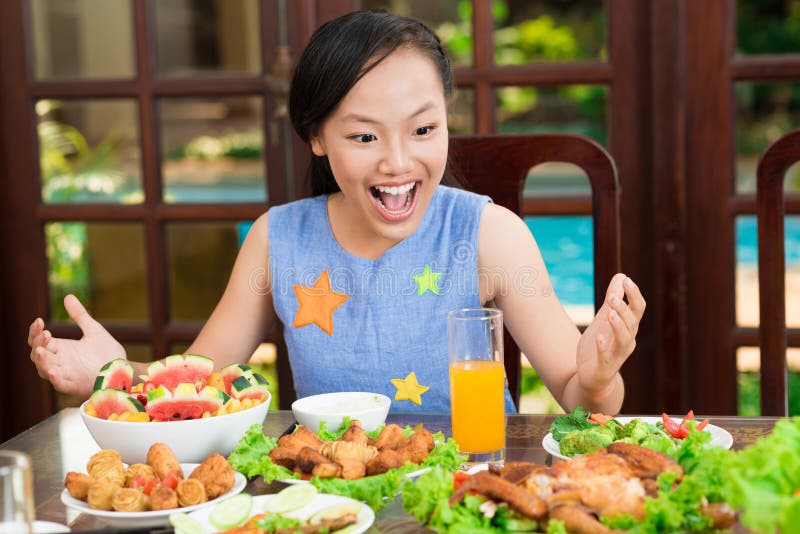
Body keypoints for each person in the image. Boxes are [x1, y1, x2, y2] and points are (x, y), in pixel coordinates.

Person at [28, 10, 644, 414]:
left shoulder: (491, 235)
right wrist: (113, 377)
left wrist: (595, 379)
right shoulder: (277, 241)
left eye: (424, 128)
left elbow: (581, 397)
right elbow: (200, 388)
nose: (398, 163)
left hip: (468, 497)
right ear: (317, 137)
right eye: (365, 137)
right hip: (325, 503)